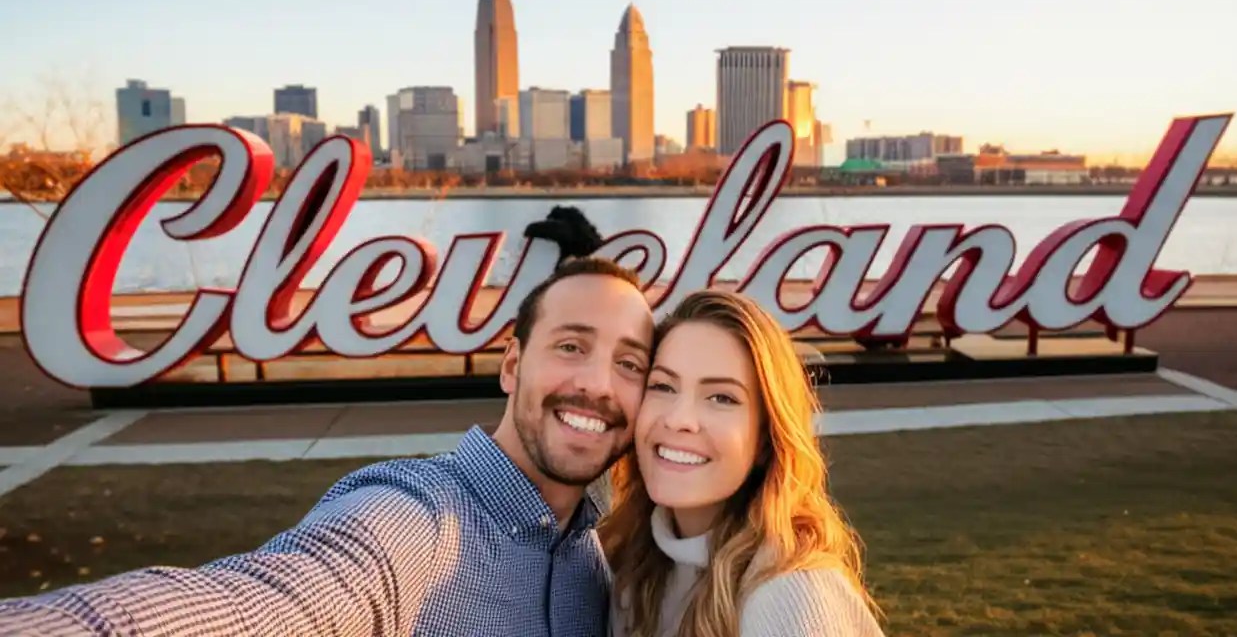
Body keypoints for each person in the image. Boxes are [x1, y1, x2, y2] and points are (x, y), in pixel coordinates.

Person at [0, 256, 655, 636]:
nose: (597, 384)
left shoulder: (595, 556)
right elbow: (266, 604)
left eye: (629, 363)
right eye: (570, 346)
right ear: (511, 366)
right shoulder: (412, 520)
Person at [599, 290, 885, 637]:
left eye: (722, 397)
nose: (679, 419)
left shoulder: (788, 597)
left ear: (766, 440)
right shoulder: (633, 566)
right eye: (663, 386)